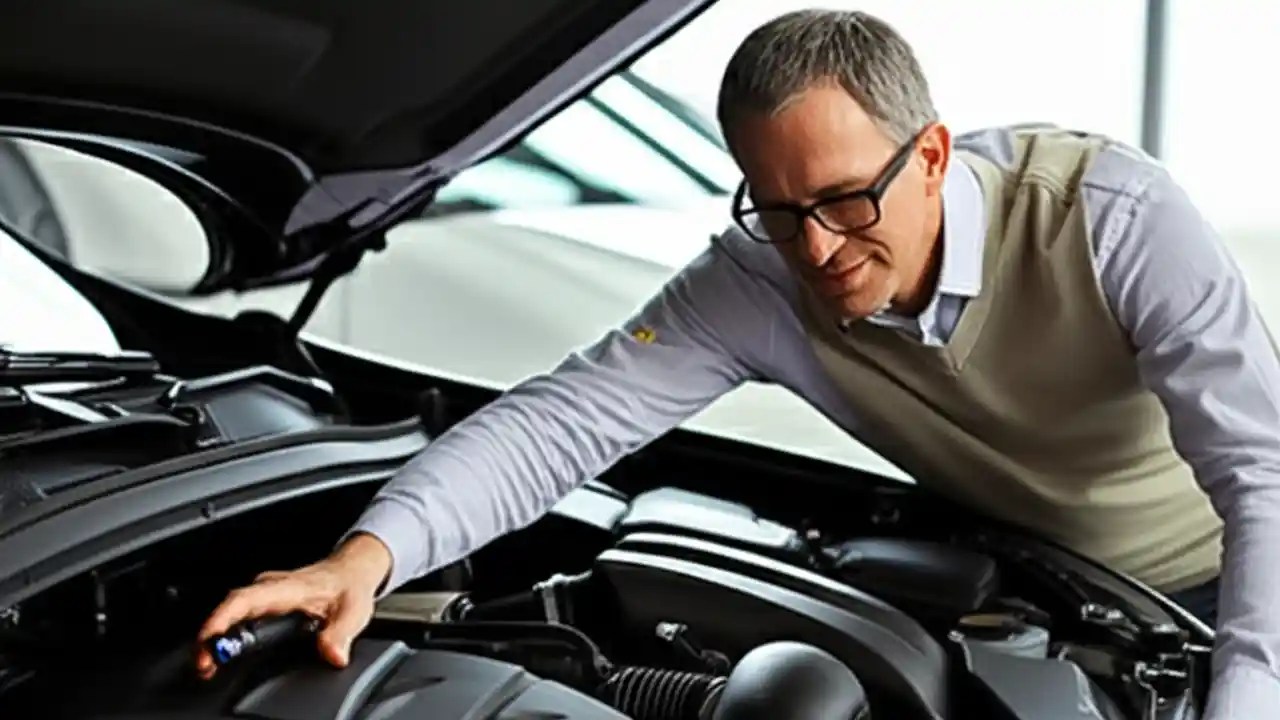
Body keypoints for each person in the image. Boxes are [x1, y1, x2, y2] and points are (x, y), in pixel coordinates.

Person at [195, 9, 1280, 717]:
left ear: (932, 154)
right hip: (1044, 585)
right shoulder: (756, 277)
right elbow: (559, 424)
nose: (817, 248)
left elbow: (1260, 477)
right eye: (778, 207)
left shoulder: (1107, 215)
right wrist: (365, 559)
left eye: (844, 199)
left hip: (1229, 578)